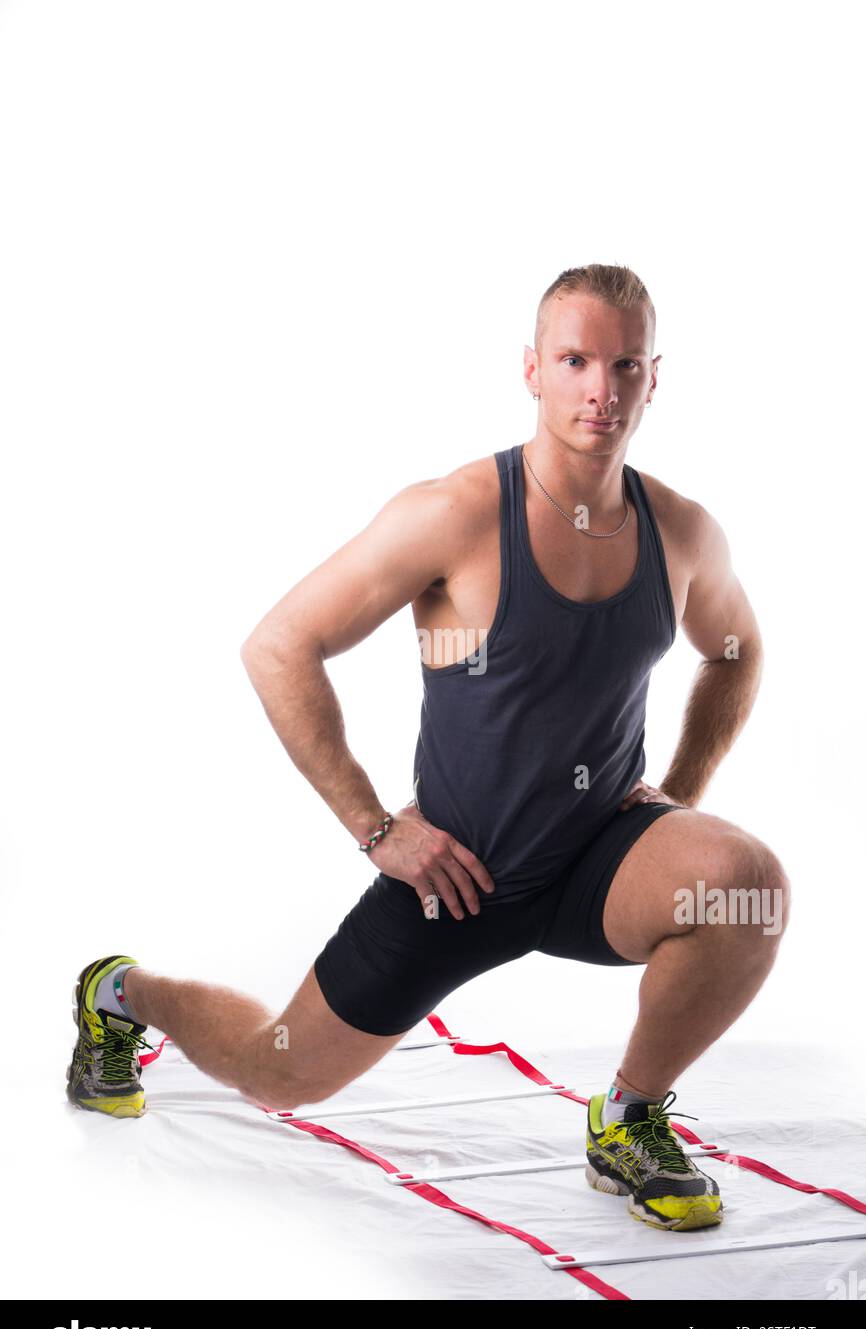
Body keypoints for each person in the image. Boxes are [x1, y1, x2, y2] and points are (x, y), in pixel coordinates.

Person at [67, 263, 790, 1233]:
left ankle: (625, 1117)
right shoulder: (453, 513)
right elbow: (279, 645)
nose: (599, 390)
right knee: (281, 1072)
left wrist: (676, 796)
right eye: (573, 360)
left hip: (596, 863)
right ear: (529, 369)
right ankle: (123, 992)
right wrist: (375, 829)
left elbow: (734, 653)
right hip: (454, 876)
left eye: (623, 365)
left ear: (652, 378)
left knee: (744, 887)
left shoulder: (683, 534)